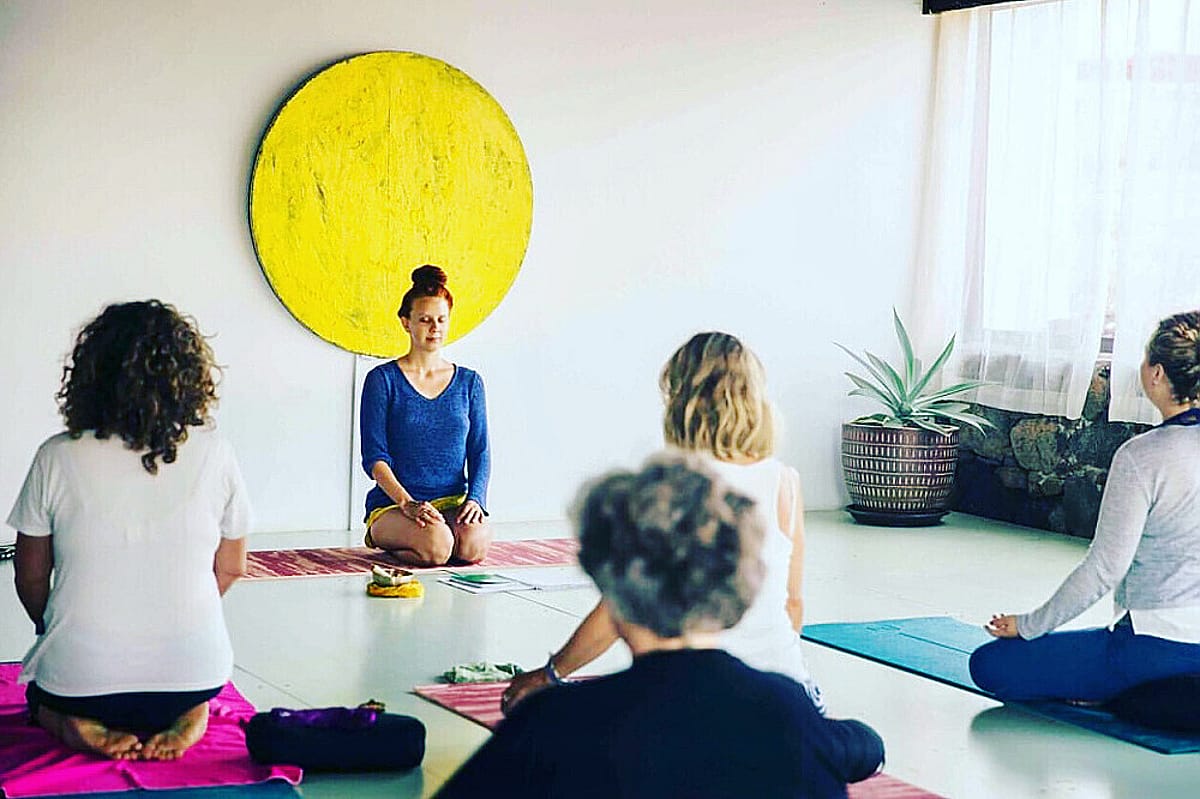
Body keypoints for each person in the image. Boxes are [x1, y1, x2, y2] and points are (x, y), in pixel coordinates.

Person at [436, 456, 884, 799]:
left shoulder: (556, 723)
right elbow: (861, 745)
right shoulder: (788, 711)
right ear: (735, 583)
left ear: (614, 593)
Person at [502, 331, 822, 713]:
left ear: (683, 401)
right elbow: (793, 604)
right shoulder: (785, 480)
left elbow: (616, 610)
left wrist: (550, 675)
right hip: (791, 696)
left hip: (704, 699)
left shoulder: (676, 486)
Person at [8, 300, 250, 760]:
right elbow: (232, 567)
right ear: (189, 376)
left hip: (78, 683)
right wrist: (177, 609)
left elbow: (30, 577)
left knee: (39, 696)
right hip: (191, 674)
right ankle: (193, 714)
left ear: (89, 375)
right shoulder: (216, 452)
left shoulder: (56, 456)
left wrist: (50, 627)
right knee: (193, 692)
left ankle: (70, 721)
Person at [971, 311, 1200, 702]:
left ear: (1157, 374)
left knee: (990, 664)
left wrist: (1029, 625)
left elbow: (1104, 570)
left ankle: (1144, 694)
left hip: (1154, 646)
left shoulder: (1141, 457)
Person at [360, 265, 492, 567]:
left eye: (441, 320)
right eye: (425, 320)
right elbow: (374, 457)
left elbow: (480, 450)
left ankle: (442, 537)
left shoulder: (470, 382)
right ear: (406, 323)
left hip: (452, 503)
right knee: (437, 549)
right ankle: (399, 543)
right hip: (396, 506)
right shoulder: (382, 380)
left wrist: (476, 500)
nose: (434, 328)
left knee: (472, 548)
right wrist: (407, 504)